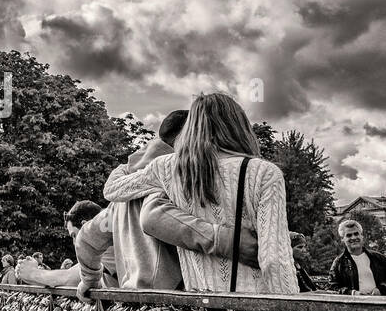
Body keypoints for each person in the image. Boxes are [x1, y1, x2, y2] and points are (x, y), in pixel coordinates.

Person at [102, 92, 298, 294]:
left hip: (203, 309)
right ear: (238, 125)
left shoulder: (167, 169)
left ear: (192, 127)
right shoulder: (263, 173)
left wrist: (129, 163)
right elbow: (274, 259)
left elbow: (112, 190)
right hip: (254, 309)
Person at [83, 107, 259, 298]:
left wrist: (90, 281)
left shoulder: (118, 202)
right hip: (173, 305)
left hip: (134, 305)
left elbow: (86, 240)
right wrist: (230, 242)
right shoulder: (167, 180)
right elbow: (153, 217)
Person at [18, 202, 116, 288]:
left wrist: (32, 273)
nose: (74, 243)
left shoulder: (108, 249)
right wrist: (27, 274)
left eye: (74, 235)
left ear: (85, 226)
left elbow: (67, 278)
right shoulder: (114, 240)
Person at [330, 220, 386, 295]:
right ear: (342, 240)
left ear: (362, 236)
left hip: (381, 302)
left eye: (356, 234)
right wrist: (352, 293)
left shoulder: (379, 258)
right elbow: (333, 286)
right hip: (354, 305)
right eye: (349, 235)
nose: (353, 237)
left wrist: (381, 289)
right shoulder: (339, 263)